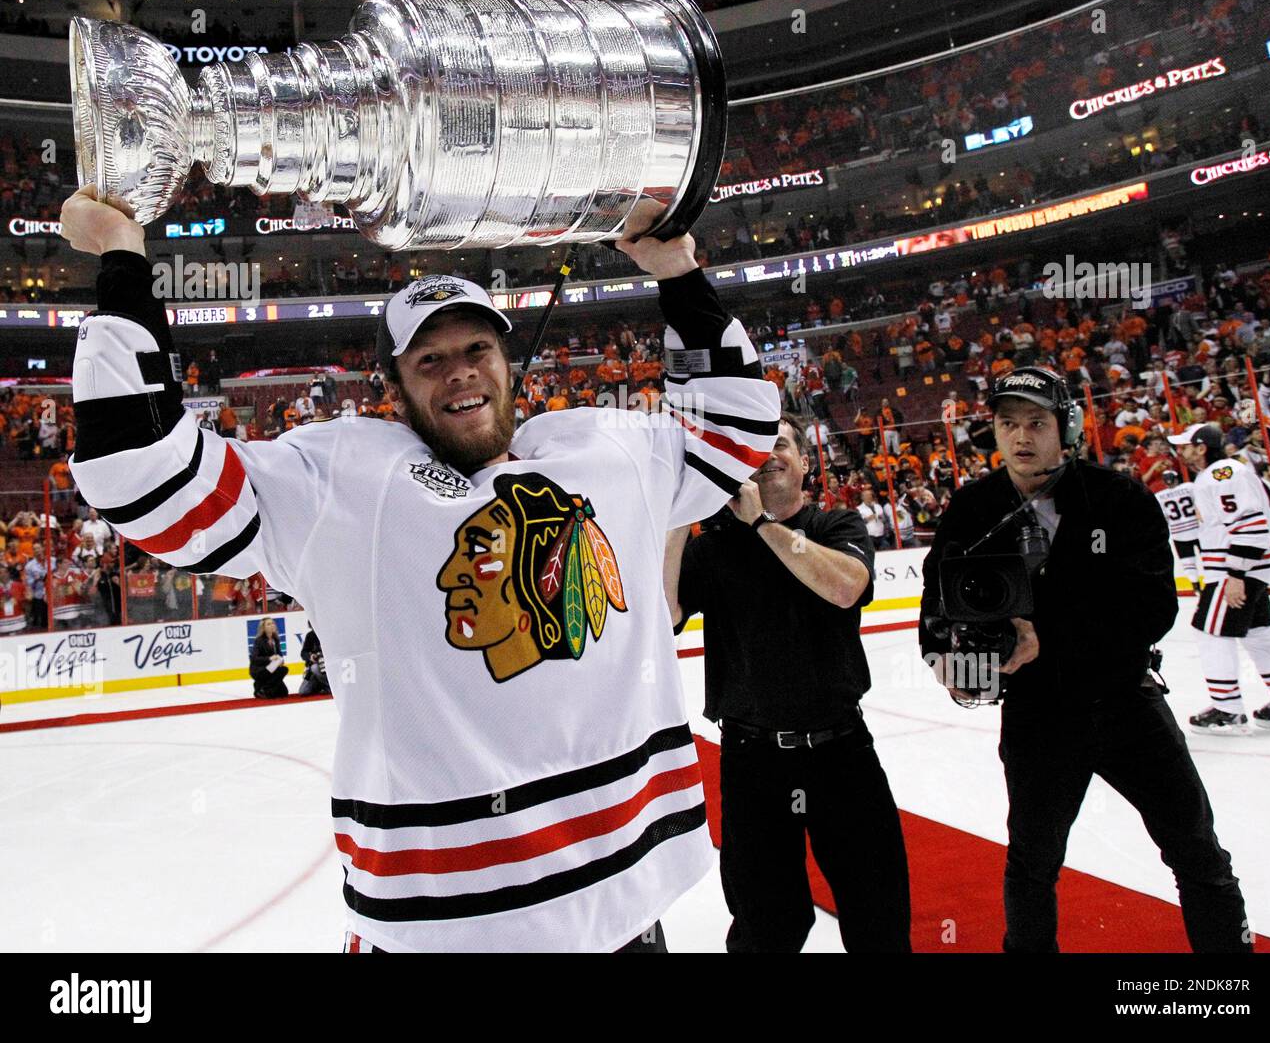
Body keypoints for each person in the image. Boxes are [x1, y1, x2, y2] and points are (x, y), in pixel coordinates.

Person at [59, 184, 779, 954]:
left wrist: (673, 267)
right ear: (393, 390)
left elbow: (737, 429)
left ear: (509, 364)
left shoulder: (603, 454)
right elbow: (140, 474)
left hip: (628, 915)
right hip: (445, 931)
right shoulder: (340, 483)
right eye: (429, 361)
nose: (460, 372)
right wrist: (122, 259)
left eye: (477, 350)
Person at [920, 366, 1251, 953]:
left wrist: (1046, 638)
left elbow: (1153, 610)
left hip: (1125, 702)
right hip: (1037, 715)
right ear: (992, 433)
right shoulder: (973, 507)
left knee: (1197, 850)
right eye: (1007, 424)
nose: (1022, 437)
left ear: (1066, 428)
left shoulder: (1118, 498)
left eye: (1037, 423)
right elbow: (936, 606)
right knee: (1032, 860)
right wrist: (949, 659)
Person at [665, 417, 910, 953]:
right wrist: (681, 515)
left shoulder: (837, 526)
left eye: (780, 444)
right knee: (765, 925)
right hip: (754, 762)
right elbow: (665, 614)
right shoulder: (715, 547)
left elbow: (847, 588)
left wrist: (764, 528)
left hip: (842, 752)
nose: (768, 455)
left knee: (879, 917)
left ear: (805, 463)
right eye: (756, 448)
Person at [1169, 423, 1270, 731]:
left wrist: (1236, 573)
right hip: (1245, 568)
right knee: (1260, 634)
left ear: (1201, 447)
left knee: (1211, 632)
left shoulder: (1222, 474)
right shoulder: (1220, 473)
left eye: (1185, 446)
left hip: (1233, 570)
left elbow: (1249, 523)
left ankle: (1226, 707)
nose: (1181, 453)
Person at [250, 617, 289, 699]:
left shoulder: (276, 639)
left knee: (283, 693)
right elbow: (254, 659)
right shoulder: (259, 641)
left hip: (272, 668)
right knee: (283, 670)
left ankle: (260, 685)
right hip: (259, 669)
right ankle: (262, 689)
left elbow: (279, 654)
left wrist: (280, 661)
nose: (272, 625)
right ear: (263, 628)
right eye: (269, 624)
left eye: (273, 623)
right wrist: (269, 658)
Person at [299, 623, 330, 696]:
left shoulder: (328, 634)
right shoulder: (310, 635)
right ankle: (322, 685)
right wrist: (310, 656)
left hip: (328, 666)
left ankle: (329, 687)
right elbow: (303, 653)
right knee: (303, 691)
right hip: (316, 667)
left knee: (315, 668)